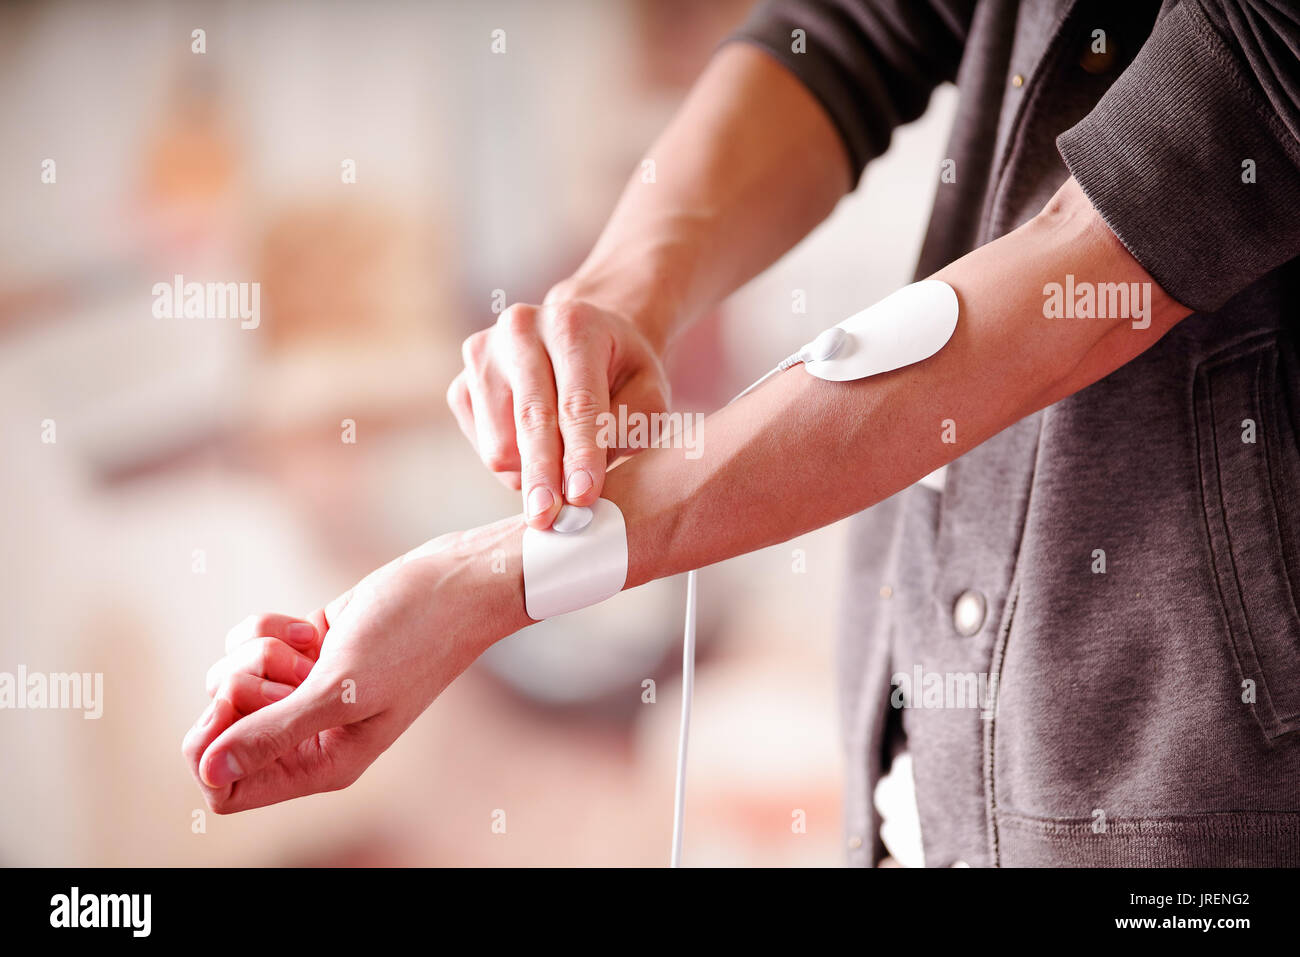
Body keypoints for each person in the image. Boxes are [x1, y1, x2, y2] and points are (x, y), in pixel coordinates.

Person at [184, 0, 1300, 866]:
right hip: (934, 747)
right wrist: (618, 292)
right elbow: (850, 31)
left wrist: (494, 580)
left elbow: (1111, 241)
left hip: (1195, 780)